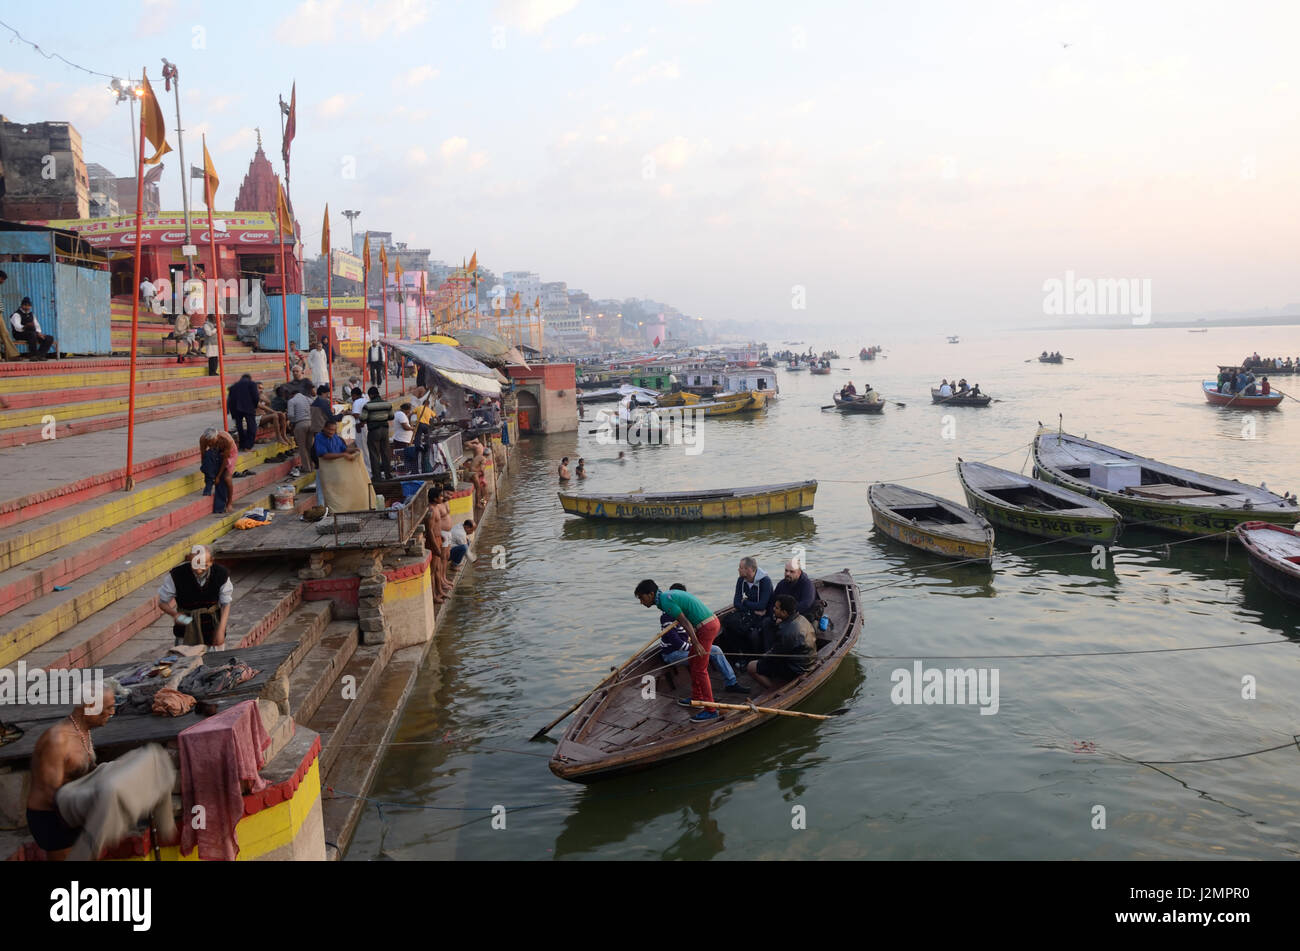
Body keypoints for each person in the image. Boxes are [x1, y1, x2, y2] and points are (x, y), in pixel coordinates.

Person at [25, 685, 116, 860]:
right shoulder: (58, 741)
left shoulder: (83, 731)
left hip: (75, 809)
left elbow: (84, 769)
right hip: (52, 817)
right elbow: (50, 793)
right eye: (108, 708)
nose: (112, 713)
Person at [635, 580, 723, 721]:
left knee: (700, 669)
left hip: (707, 627)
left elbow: (685, 622)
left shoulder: (665, 601)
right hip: (706, 625)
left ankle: (711, 709)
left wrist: (695, 643)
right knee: (695, 663)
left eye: (641, 597)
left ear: (651, 594)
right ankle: (697, 697)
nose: (641, 602)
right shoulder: (665, 598)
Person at [659, 583, 748, 695]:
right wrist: (697, 647)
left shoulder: (685, 612)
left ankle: (731, 683)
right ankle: (700, 695)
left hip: (686, 647)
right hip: (673, 654)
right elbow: (678, 644)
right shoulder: (667, 616)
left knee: (716, 650)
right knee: (711, 653)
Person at [158, 544, 232, 648]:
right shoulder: (176, 575)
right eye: (195, 565)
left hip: (212, 626)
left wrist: (221, 629)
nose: (199, 570)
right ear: (189, 560)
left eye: (204, 566)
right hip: (186, 627)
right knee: (185, 660)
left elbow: (226, 604)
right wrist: (174, 614)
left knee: (215, 661)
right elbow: (162, 603)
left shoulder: (221, 574)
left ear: (211, 561)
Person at [745, 594, 816, 689]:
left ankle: (773, 689)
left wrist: (763, 657)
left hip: (797, 668)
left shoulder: (787, 632)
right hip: (808, 661)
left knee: (751, 667)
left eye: (776, 608)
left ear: (784, 612)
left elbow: (775, 655)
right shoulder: (802, 618)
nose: (773, 609)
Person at [718, 556, 772, 662]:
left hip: (766, 614)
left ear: (749, 569)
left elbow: (762, 605)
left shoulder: (765, 581)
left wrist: (746, 602)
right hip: (751, 612)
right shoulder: (741, 580)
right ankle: (738, 658)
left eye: (740, 567)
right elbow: (736, 603)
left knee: (752, 633)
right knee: (728, 624)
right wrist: (751, 608)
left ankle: (755, 658)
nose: (738, 569)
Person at [312, 418, 359, 506]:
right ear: (324, 428)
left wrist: (354, 450)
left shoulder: (336, 437)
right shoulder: (319, 437)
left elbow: (344, 449)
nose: (331, 432)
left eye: (333, 430)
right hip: (323, 469)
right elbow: (324, 455)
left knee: (337, 490)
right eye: (329, 429)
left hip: (335, 469)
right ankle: (322, 511)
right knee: (322, 491)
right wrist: (343, 455)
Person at [360, 386, 395, 480]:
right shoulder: (387, 404)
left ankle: (377, 476)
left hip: (373, 431)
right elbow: (391, 417)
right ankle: (388, 474)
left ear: (371, 395)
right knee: (386, 453)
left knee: (374, 453)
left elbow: (362, 418)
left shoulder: (368, 405)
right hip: (384, 430)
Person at [769, 559, 816, 623]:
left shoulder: (807, 585)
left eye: (792, 571)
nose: (787, 574)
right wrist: (774, 616)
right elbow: (773, 601)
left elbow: (806, 604)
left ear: (799, 573)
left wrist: (786, 616)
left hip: (800, 616)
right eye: (786, 570)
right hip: (782, 614)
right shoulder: (781, 584)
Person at [227, 373, 261, 451]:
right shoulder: (251, 384)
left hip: (235, 409)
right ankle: (248, 446)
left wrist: (229, 410)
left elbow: (229, 399)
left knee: (240, 427)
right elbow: (256, 396)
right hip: (248, 408)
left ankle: (242, 444)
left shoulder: (234, 385)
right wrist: (255, 406)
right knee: (252, 427)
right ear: (249, 378)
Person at [287, 385, 314, 474]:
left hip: (300, 424)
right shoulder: (308, 399)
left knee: (302, 448)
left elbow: (290, 415)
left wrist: (292, 423)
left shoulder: (292, 401)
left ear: (291, 394)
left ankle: (306, 468)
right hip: (311, 423)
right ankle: (312, 466)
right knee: (310, 447)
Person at [393, 401, 417, 471]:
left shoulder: (401, 414)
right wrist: (413, 429)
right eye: (409, 411)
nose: (409, 412)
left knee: (404, 457)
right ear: (405, 409)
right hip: (402, 440)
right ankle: (405, 470)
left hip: (403, 439)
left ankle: (406, 469)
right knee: (404, 457)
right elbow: (405, 427)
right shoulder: (401, 414)